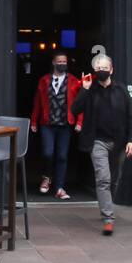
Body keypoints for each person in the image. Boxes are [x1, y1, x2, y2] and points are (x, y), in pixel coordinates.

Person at [71, 54, 132, 236]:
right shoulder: (90, 91)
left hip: (119, 142)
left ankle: (106, 205)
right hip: (97, 141)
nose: (101, 71)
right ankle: (108, 218)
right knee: (103, 179)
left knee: (114, 179)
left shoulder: (121, 90)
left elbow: (131, 116)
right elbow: (75, 109)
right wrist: (84, 90)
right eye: (98, 68)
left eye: (104, 68)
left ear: (111, 70)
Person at [29, 51, 82, 199]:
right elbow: (38, 102)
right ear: (53, 62)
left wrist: (79, 121)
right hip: (47, 123)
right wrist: (34, 121)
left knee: (62, 156)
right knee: (48, 153)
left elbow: (79, 103)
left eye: (64, 62)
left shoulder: (73, 81)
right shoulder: (44, 80)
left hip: (66, 124)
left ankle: (59, 187)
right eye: (59, 61)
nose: (62, 64)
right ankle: (46, 177)